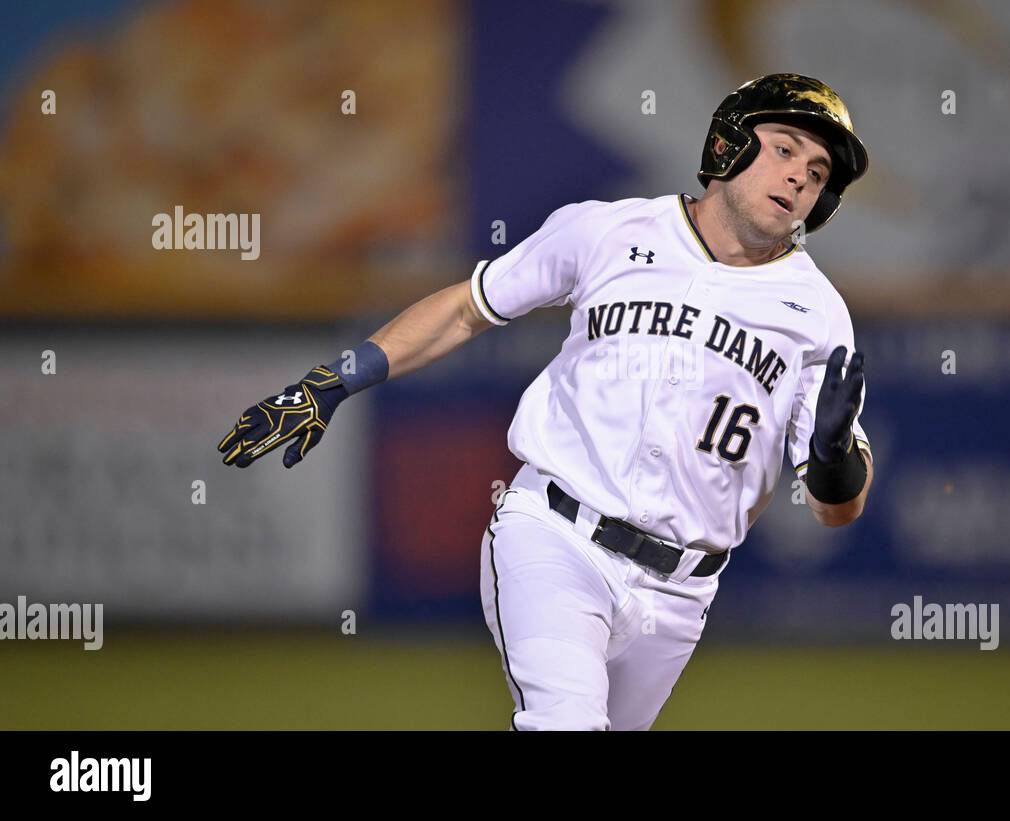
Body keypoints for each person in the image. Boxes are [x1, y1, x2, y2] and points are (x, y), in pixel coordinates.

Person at [218, 73, 874, 730]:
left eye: (817, 172)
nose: (798, 178)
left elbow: (835, 506)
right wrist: (331, 382)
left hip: (681, 592)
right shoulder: (607, 231)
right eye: (785, 149)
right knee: (564, 721)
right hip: (556, 535)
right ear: (729, 143)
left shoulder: (817, 314)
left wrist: (833, 453)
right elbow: (465, 309)